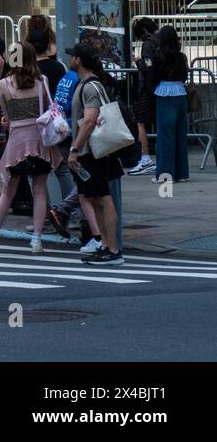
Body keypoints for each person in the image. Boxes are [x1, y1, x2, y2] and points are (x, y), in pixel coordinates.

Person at [0, 43, 62, 253]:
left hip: (17, 141)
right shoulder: (42, 81)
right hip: (40, 140)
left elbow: (6, 118)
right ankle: (36, 240)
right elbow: (47, 111)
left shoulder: (3, 85)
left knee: (8, 191)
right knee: (40, 190)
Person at [67, 44, 126, 265]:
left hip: (92, 152)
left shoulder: (89, 87)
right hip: (92, 151)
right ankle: (105, 246)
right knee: (96, 198)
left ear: (79, 60)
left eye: (72, 55)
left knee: (102, 198)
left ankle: (112, 249)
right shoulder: (88, 84)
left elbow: (90, 119)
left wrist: (74, 149)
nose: (70, 59)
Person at [151, 25, 190, 183]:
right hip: (180, 93)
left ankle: (165, 174)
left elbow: (154, 76)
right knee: (180, 135)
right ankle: (181, 173)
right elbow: (185, 76)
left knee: (165, 135)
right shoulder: (181, 57)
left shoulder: (158, 56)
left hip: (164, 93)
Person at [126, 18, 160, 177]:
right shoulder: (161, 40)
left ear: (144, 31)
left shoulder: (148, 45)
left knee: (140, 122)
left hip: (148, 89)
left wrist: (138, 62)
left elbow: (148, 66)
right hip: (161, 88)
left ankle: (145, 158)